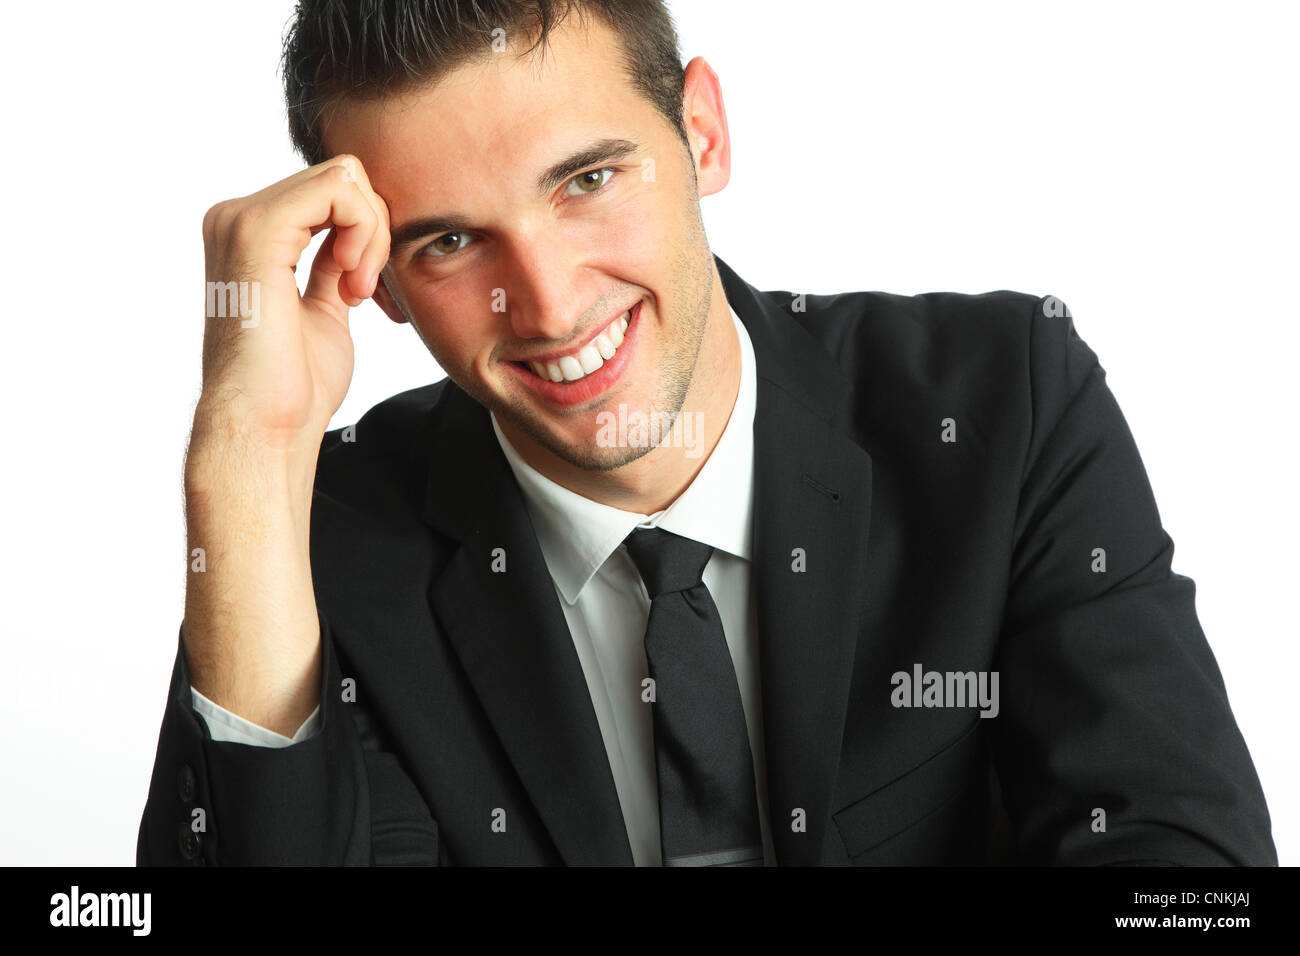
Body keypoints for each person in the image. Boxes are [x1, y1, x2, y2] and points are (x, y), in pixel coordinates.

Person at [137, 0, 1276, 866]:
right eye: (447, 243)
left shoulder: (1002, 407)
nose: (544, 302)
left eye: (586, 178)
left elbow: (1183, 870)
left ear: (702, 132)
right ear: (374, 279)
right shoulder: (327, 534)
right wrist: (244, 452)